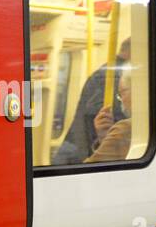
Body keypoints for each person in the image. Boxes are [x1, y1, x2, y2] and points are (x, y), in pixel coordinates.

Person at [56, 37, 129, 165]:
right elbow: (97, 116)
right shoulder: (114, 75)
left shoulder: (107, 72)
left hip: (76, 149)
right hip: (81, 151)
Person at [84, 71, 133, 164]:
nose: (121, 100)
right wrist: (106, 137)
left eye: (122, 93)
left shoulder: (125, 128)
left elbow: (89, 169)